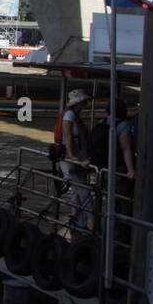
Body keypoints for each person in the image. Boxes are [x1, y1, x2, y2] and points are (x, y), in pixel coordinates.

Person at [60, 88, 93, 230]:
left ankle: (79, 222)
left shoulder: (73, 115)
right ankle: (92, 222)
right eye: (83, 102)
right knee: (84, 193)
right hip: (73, 160)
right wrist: (72, 155)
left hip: (77, 158)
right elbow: (67, 136)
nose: (85, 104)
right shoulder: (69, 115)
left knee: (77, 192)